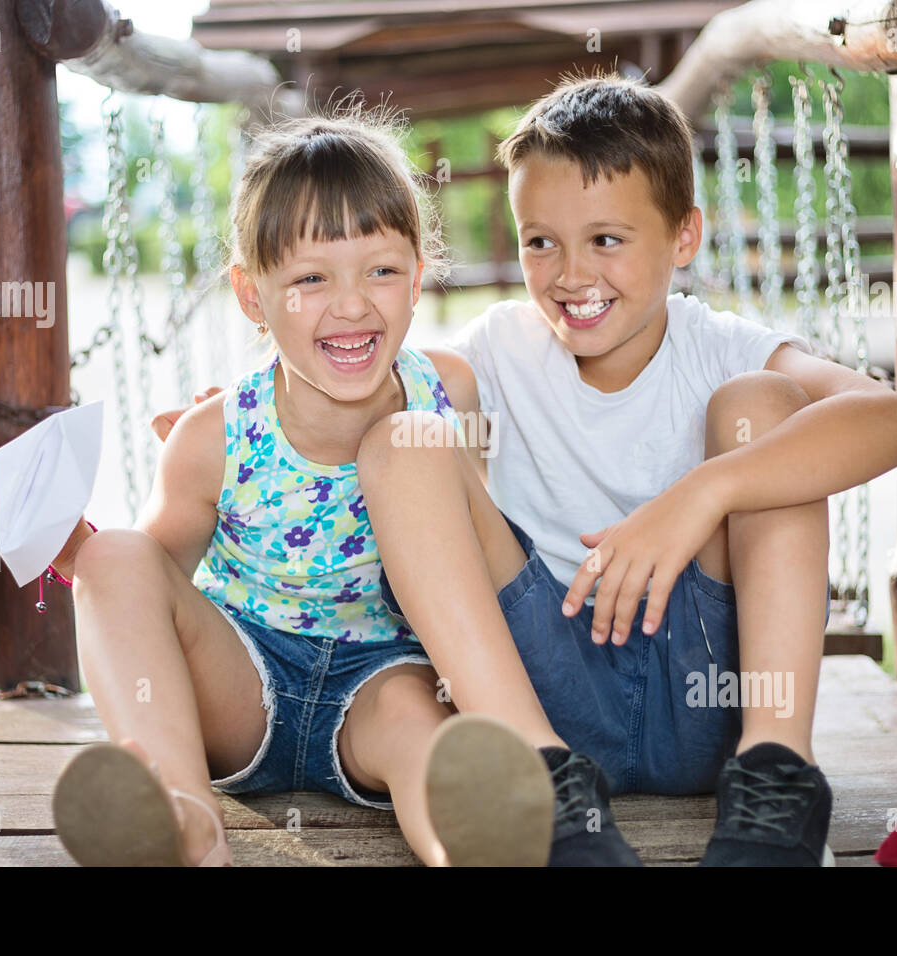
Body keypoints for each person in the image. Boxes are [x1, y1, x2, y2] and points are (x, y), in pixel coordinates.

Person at [351, 74, 897, 866]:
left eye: (607, 240)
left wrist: (703, 492)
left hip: (709, 692)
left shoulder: (718, 346)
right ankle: (541, 786)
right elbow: (378, 390)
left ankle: (778, 782)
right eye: (540, 240)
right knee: (403, 439)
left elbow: (895, 421)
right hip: (547, 694)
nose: (569, 274)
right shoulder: (498, 348)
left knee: (765, 407)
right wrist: (247, 408)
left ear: (684, 237)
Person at [48, 108, 641, 867]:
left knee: (425, 732)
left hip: (386, 679)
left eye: (381, 270)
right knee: (118, 558)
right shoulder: (215, 437)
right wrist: (85, 561)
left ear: (418, 279)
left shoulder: (447, 396)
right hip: (243, 684)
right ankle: (183, 819)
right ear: (253, 296)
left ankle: (477, 844)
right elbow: (154, 593)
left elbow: (468, 557)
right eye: (310, 278)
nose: (353, 303)